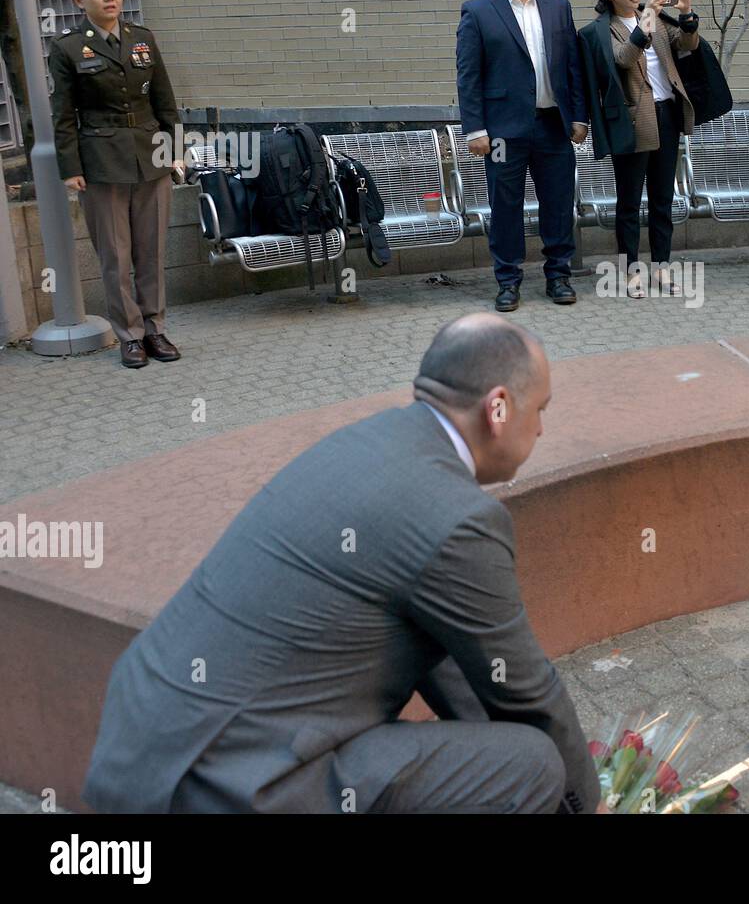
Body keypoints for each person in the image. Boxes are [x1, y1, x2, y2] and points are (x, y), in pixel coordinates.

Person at [82, 313, 600, 814]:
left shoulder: (370, 443)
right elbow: (527, 691)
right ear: (500, 409)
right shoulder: (458, 517)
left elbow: (449, 652)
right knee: (531, 768)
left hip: (141, 749)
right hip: (233, 785)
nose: (541, 431)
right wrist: (586, 803)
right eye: (541, 410)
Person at [51, 0, 183, 368]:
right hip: (101, 164)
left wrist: (176, 150)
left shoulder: (142, 38)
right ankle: (129, 335)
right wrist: (70, 168)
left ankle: (155, 329)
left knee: (151, 252)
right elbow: (63, 114)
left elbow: (165, 101)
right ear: (79, 0)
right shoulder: (68, 48)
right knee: (115, 256)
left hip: (151, 158)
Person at [455, 0, 589, 312]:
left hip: (552, 125)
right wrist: (475, 130)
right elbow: (468, 75)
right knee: (506, 205)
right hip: (501, 133)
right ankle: (508, 281)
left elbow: (572, 68)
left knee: (558, 203)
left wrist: (578, 116)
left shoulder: (557, 6)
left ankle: (559, 275)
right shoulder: (478, 11)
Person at [579, 0, 698, 297]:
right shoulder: (603, 29)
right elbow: (623, 58)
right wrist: (645, 21)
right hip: (632, 121)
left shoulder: (658, 21)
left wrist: (687, 14)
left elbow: (687, 44)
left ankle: (662, 268)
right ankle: (631, 272)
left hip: (667, 115)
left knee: (663, 199)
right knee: (630, 202)